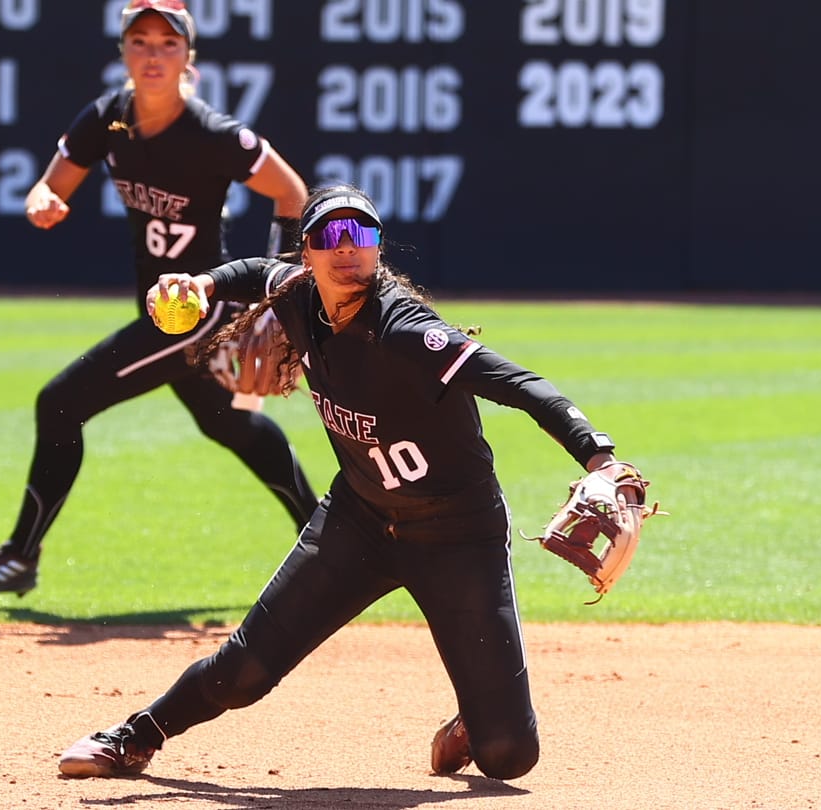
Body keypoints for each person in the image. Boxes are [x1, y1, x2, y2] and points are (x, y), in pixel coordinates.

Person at [56, 183, 625, 781]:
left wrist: (600, 457)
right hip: (357, 524)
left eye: (363, 234)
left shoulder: (406, 330)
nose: (347, 247)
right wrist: (201, 284)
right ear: (307, 251)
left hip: (459, 536)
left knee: (508, 755)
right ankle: (133, 738)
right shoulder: (299, 298)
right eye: (331, 234)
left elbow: (519, 383)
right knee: (247, 670)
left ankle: (474, 717)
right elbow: (253, 270)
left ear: (379, 248)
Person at [0, 0, 319, 598]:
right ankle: (324, 536)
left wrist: (276, 293)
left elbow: (291, 191)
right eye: (140, 41)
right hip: (159, 308)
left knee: (60, 403)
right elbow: (52, 185)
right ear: (123, 52)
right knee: (231, 425)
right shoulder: (107, 119)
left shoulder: (214, 134)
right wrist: (42, 199)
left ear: (187, 59)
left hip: (197, 312)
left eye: (168, 44)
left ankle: (18, 557)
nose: (153, 54)